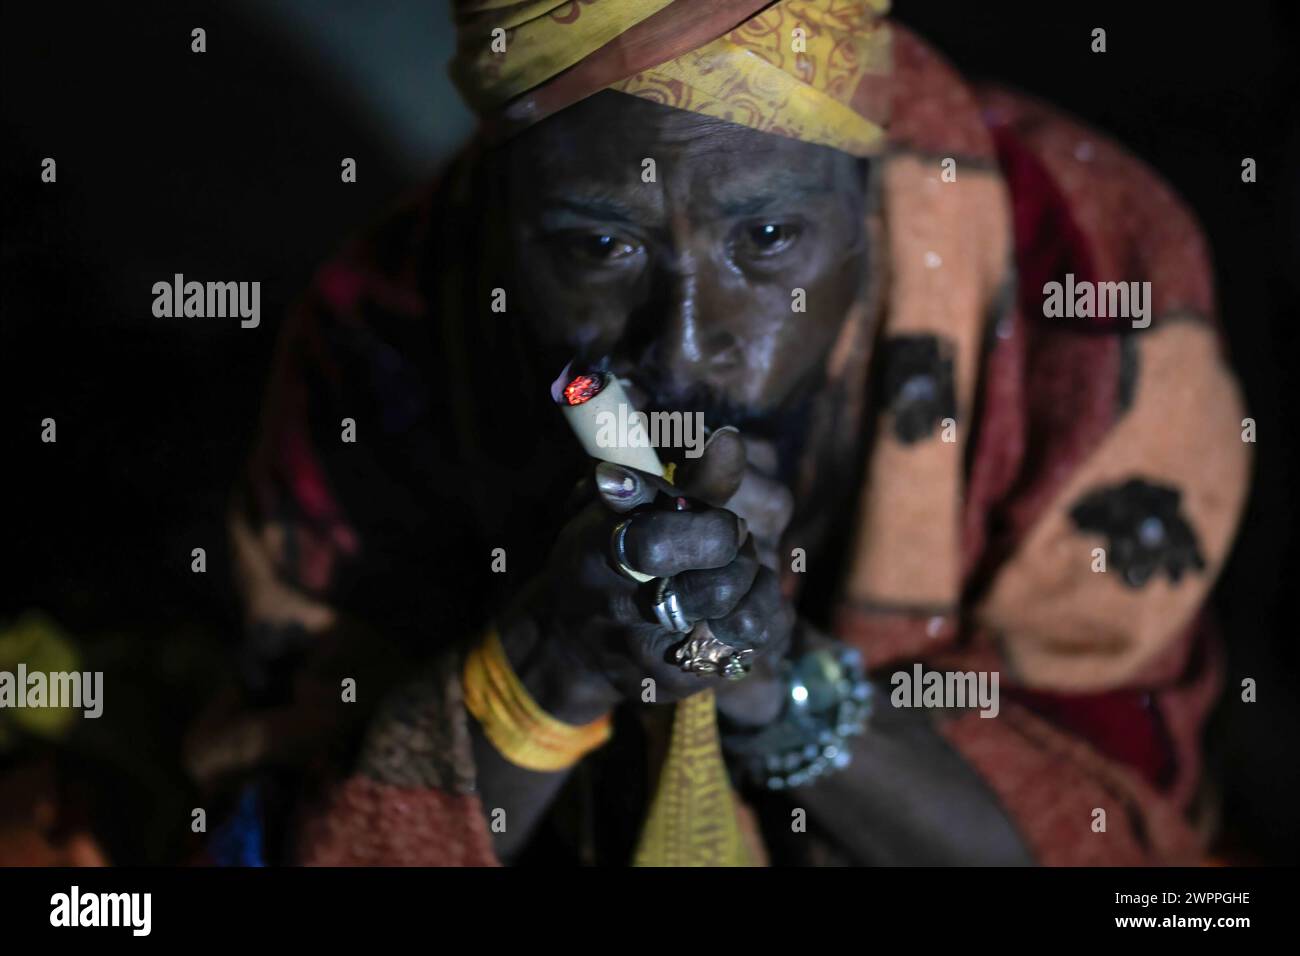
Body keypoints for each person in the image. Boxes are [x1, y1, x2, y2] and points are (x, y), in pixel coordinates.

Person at [211, 0, 1250, 865]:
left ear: (868, 190)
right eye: (598, 245)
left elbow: (1116, 849)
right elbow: (275, 828)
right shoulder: (381, 331)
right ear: (500, 207)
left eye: (765, 238)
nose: (689, 351)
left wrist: (767, 680)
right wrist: (555, 659)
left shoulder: (1094, 277)